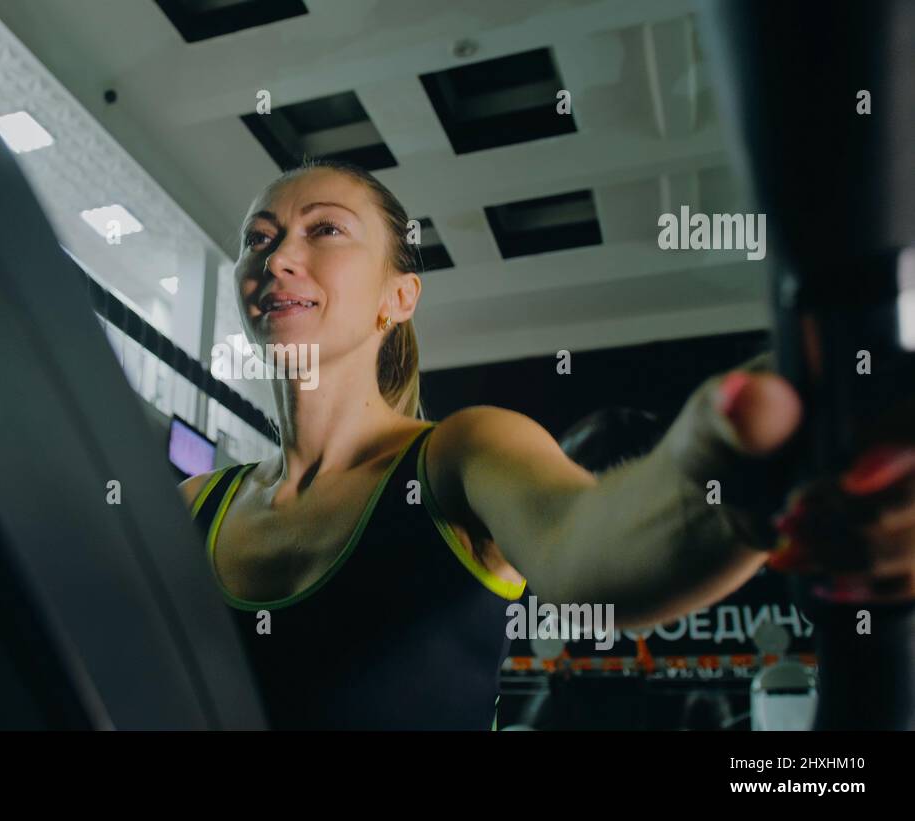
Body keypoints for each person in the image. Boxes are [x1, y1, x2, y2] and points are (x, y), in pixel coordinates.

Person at [178, 157, 915, 730]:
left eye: (324, 229)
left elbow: (590, 548)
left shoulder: (459, 455)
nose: (276, 257)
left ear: (398, 297)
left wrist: (736, 474)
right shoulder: (189, 504)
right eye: (259, 238)